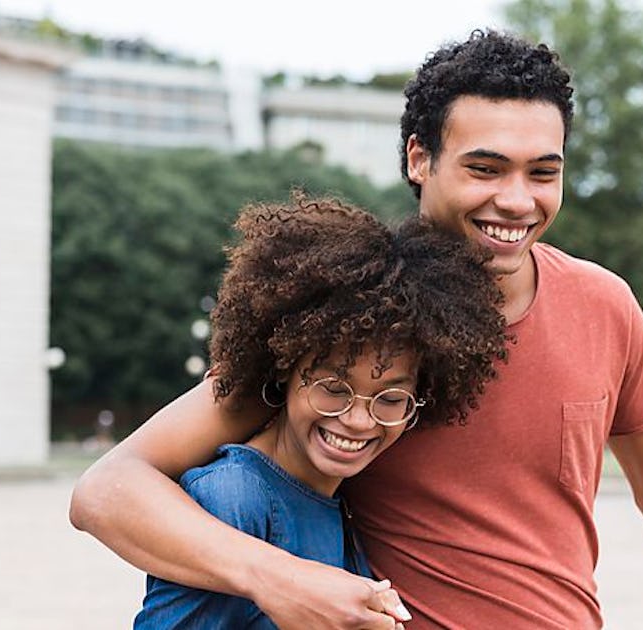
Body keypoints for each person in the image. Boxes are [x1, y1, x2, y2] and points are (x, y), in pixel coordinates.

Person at [71, 29, 643, 629]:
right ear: (419, 159)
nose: (517, 200)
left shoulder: (605, 304)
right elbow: (107, 492)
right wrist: (276, 578)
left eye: (543, 172)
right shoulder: (352, 316)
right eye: (484, 167)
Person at [132, 194, 508, 628]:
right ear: (285, 368)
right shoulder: (234, 498)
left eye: (389, 400)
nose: (358, 420)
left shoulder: (344, 497)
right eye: (334, 388)